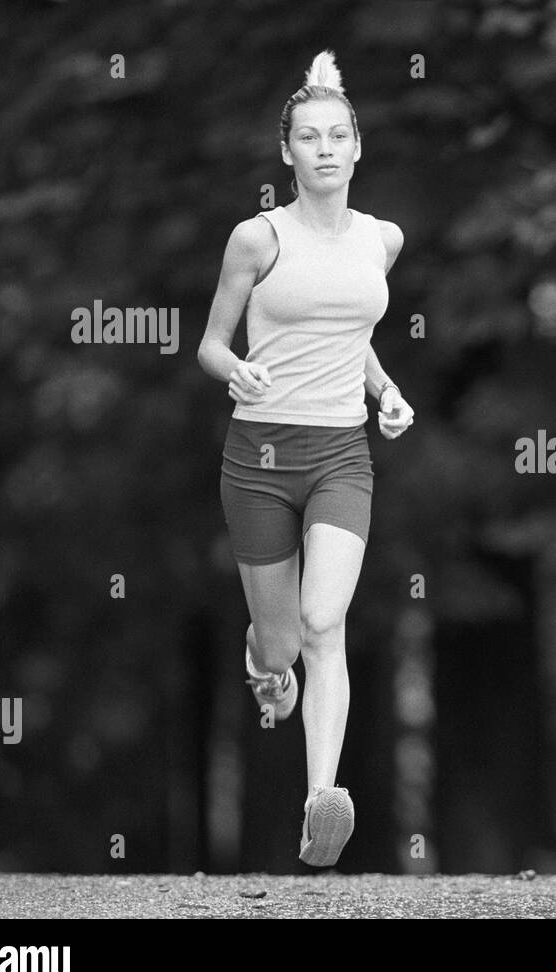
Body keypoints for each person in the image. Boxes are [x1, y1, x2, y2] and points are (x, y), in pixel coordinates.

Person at [196, 49, 413, 867]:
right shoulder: (257, 239)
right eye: (307, 137)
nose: (324, 149)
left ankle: (322, 799)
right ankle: (264, 660)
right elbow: (210, 346)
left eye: (337, 135)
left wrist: (385, 390)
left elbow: (350, 339)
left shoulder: (382, 240)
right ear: (285, 153)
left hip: (338, 455)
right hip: (259, 453)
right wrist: (238, 367)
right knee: (284, 642)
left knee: (328, 621)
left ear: (358, 147)